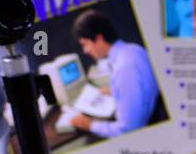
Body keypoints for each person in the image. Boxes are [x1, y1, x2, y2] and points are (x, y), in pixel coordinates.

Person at [68, 9, 160, 138]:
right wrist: (116, 90)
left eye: (85, 44)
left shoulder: (123, 69)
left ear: (99, 38)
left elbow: (127, 130)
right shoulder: (135, 49)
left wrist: (89, 124)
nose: (85, 51)